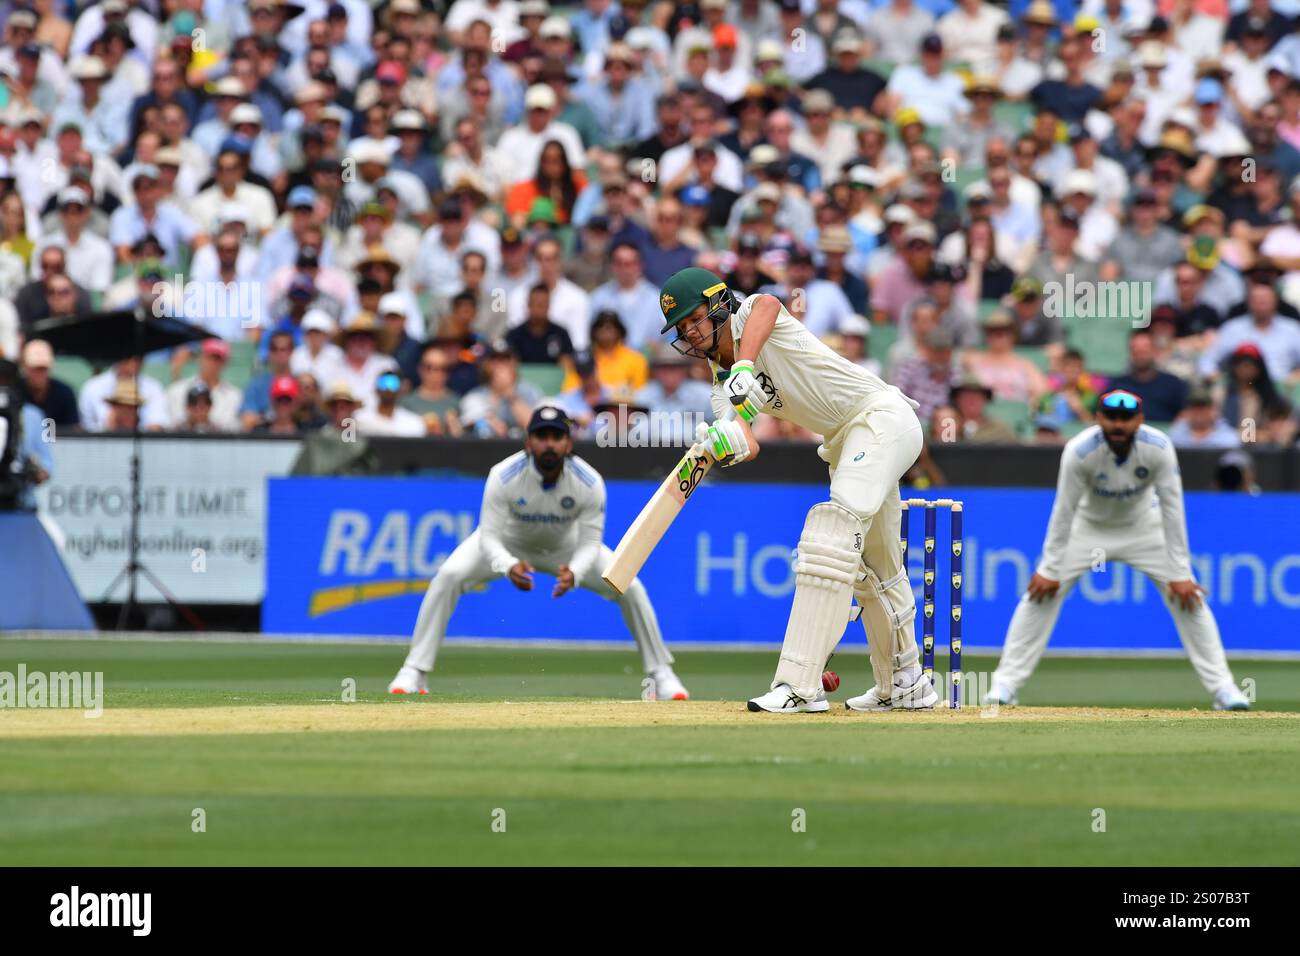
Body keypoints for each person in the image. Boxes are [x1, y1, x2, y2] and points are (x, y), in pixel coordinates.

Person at [655, 266, 931, 714]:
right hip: (846, 443)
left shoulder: (749, 318)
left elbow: (768, 303)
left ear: (719, 302)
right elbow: (749, 441)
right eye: (681, 326)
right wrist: (722, 442)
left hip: (881, 418)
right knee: (877, 567)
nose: (690, 330)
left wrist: (745, 362)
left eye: (694, 317)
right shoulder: (720, 384)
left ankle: (799, 685)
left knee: (830, 536)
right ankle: (905, 683)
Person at [387, 404, 689, 700]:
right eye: (541, 436)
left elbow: (590, 542)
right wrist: (507, 566)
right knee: (449, 576)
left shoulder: (589, 482)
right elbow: (488, 537)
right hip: (508, 544)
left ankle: (661, 674)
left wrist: (576, 571)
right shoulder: (503, 475)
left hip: (566, 548)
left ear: (568, 443)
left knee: (630, 586)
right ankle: (414, 670)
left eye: (556, 437)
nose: (549, 444)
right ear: (528, 442)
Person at [984, 390, 1250, 711]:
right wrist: (1050, 568)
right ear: (1098, 419)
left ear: (1140, 419)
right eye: (1111, 417)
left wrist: (1180, 573)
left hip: (1144, 528)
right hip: (1089, 528)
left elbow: (1173, 509)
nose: (1119, 425)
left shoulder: (1159, 448)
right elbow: (1063, 510)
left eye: (1127, 418)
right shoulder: (1079, 451)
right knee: (1039, 594)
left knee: (1189, 598)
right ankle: (1004, 686)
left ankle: (1225, 690)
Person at [356, 372, 426, 437]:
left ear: (399, 390)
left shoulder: (413, 422)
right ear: (376, 389)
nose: (388, 389)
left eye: (393, 384)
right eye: (383, 384)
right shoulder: (359, 419)